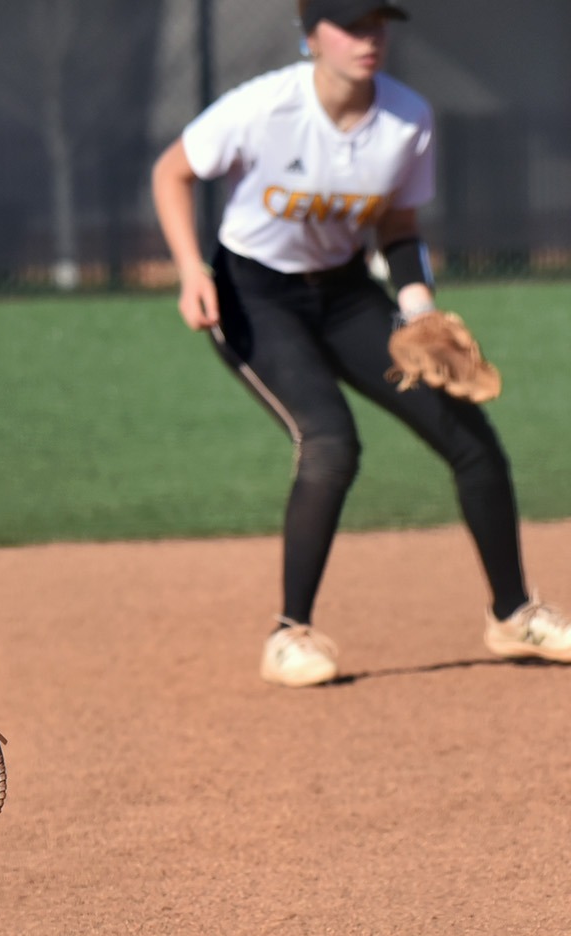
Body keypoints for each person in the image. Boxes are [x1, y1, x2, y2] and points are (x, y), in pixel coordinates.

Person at [150, 0, 571, 687]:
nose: (368, 38)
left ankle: (513, 614)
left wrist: (417, 310)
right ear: (312, 34)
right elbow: (172, 171)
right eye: (350, 24)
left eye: (377, 23)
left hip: (347, 294)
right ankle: (291, 635)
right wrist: (191, 269)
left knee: (469, 434)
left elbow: (397, 225)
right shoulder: (263, 107)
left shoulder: (407, 118)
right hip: (253, 292)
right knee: (330, 441)